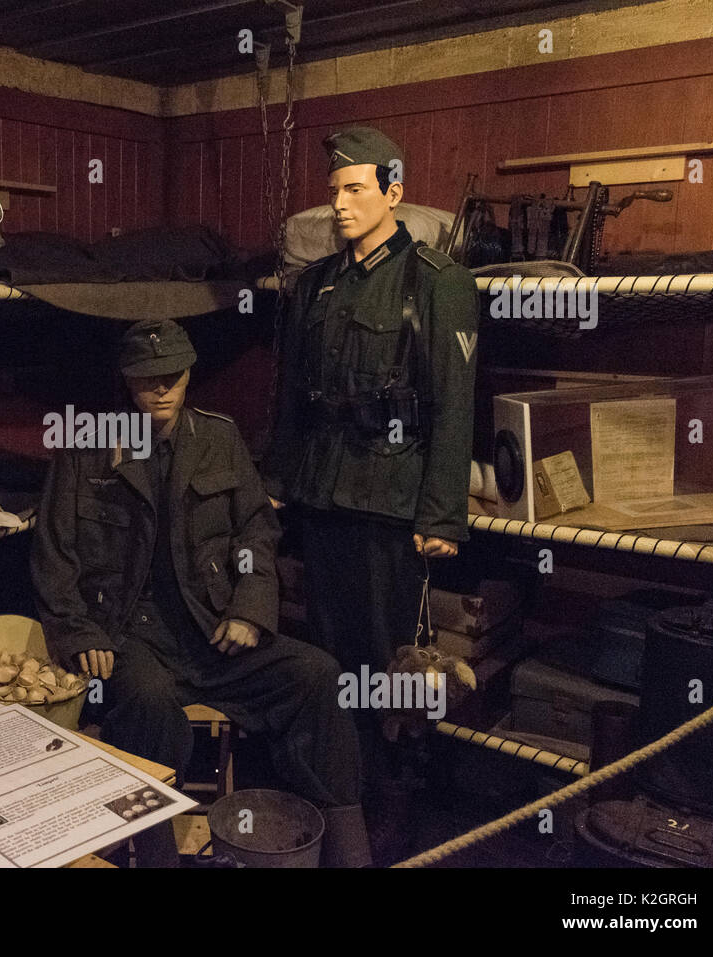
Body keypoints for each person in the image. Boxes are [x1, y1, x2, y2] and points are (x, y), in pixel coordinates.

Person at [31, 319, 369, 867]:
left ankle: (347, 855)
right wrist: (79, 632)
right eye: (147, 379)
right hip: (129, 633)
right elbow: (54, 552)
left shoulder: (218, 438)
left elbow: (256, 531)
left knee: (318, 676)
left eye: (172, 376)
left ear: (189, 376)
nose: (161, 389)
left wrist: (250, 607)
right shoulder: (85, 448)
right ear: (126, 379)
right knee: (147, 704)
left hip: (212, 628)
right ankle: (159, 854)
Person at [262, 126, 479, 854]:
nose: (340, 203)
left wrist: (442, 511)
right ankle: (340, 793)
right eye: (334, 191)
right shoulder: (317, 283)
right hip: (325, 493)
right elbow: (291, 393)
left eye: (356, 189)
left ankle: (391, 795)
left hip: (391, 499)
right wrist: (279, 479)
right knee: (328, 655)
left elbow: (454, 402)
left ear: (394, 191)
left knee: (391, 663)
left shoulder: (435, 280)